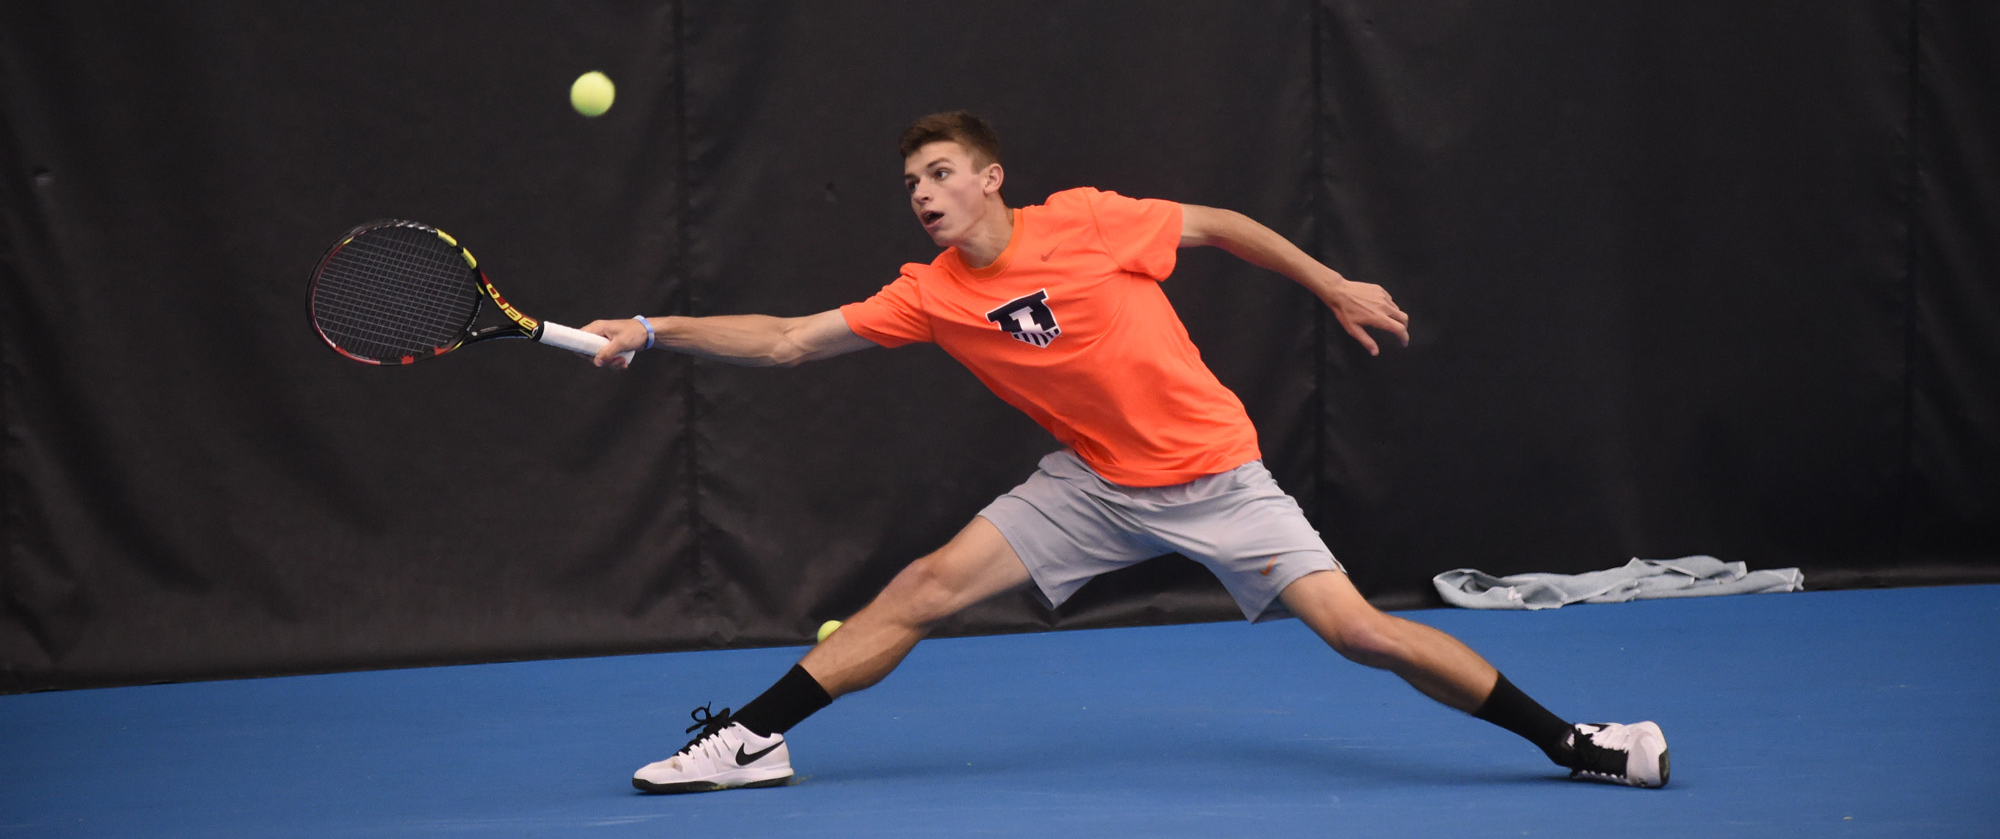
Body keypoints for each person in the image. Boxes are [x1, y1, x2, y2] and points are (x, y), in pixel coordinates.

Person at [582, 111, 1669, 794]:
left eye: (940, 170)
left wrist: (1331, 283)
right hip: (1092, 487)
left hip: (1219, 478)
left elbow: (1224, 224)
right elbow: (784, 340)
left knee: (1360, 634)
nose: (921, 191)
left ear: (990, 177)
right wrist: (651, 327)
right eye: (909, 179)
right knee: (918, 588)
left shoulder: (1090, 222)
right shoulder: (927, 293)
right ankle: (749, 738)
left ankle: (1576, 739)